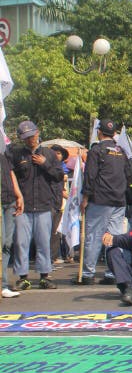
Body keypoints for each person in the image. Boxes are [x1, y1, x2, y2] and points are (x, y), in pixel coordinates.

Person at [9, 121, 63, 290]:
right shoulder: (17, 154)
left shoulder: (49, 154)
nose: (30, 140)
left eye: (32, 136)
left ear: (38, 133)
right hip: (23, 207)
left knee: (43, 243)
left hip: (44, 205)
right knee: (21, 243)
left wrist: (45, 164)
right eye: (26, 137)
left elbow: (59, 176)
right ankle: (23, 277)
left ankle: (44, 276)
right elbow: (11, 178)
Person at [77, 119, 128, 285]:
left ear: (99, 132)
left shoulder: (96, 150)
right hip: (119, 200)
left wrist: (85, 198)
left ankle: (88, 274)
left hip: (100, 200)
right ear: (114, 134)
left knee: (94, 236)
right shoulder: (121, 151)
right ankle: (113, 273)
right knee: (114, 238)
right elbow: (129, 174)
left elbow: (90, 176)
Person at [0, 151, 22, 298]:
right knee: (1, 242)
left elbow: (11, 172)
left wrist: (18, 195)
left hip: (9, 201)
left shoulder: (3, 155)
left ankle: (3, 285)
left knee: (7, 244)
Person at [48, 144, 69, 265]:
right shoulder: (47, 168)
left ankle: (53, 257)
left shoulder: (63, 169)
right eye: (54, 153)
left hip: (59, 204)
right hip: (48, 203)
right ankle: (48, 258)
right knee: (49, 231)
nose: (57, 155)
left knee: (55, 232)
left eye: (59, 153)